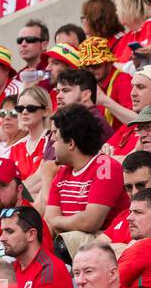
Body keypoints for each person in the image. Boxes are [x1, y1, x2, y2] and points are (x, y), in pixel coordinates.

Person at [45, 104, 128, 254]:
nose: (51, 139)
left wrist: (58, 222)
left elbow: (90, 221)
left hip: (104, 247)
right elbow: (49, 218)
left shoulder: (105, 166)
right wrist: (62, 222)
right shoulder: (63, 172)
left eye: (55, 133)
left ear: (71, 143)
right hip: (74, 243)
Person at [0, 204, 73, 288]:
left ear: (31, 234)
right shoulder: (11, 267)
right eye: (2, 231)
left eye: (9, 231)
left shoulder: (51, 269)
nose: (2, 238)